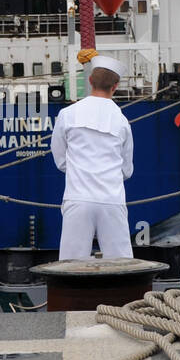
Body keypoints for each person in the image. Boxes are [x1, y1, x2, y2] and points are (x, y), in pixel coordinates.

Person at [50, 55, 134, 259]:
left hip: (77, 198)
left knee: (71, 264)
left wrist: (80, 172)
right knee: (122, 264)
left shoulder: (67, 114)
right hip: (112, 199)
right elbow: (126, 169)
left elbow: (60, 159)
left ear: (89, 81)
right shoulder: (122, 122)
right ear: (115, 86)